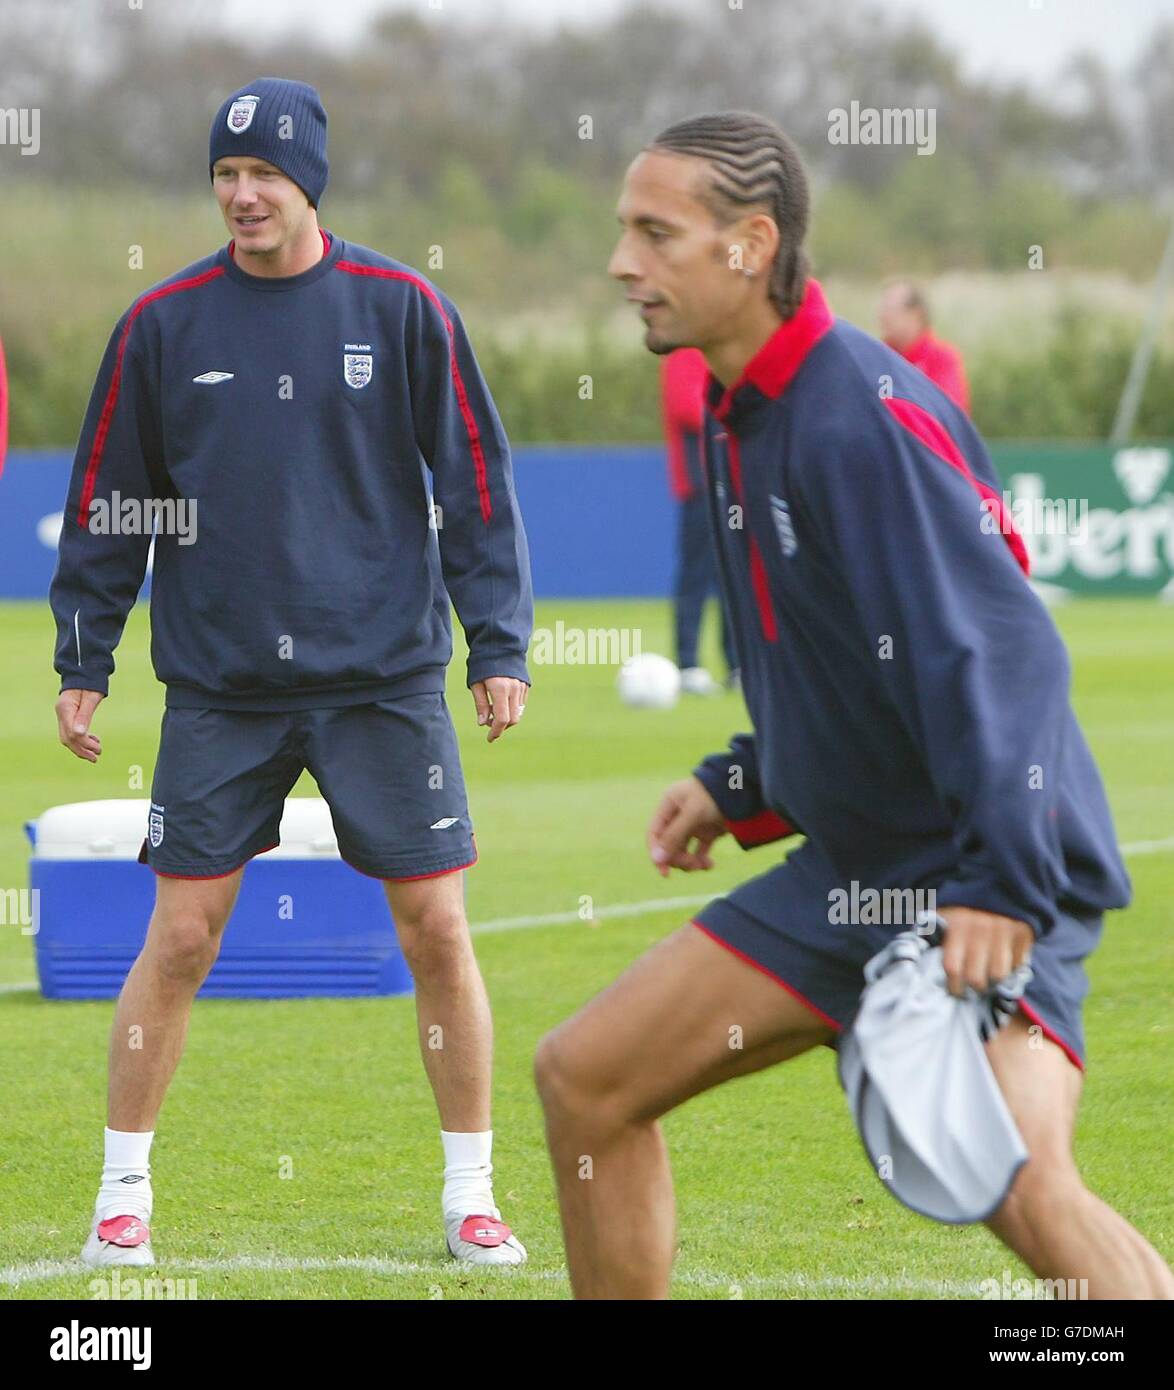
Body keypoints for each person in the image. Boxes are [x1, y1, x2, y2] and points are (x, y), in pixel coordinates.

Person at [535, 110, 1173, 1300]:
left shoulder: (857, 419)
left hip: (985, 866)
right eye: (624, 230)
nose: (623, 262)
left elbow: (1005, 652)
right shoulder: (739, 414)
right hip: (856, 870)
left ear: (750, 245)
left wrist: (997, 884)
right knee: (586, 1079)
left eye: (654, 233)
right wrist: (742, 781)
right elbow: (832, 659)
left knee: (1023, 1182)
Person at [51, 78, 533, 1269]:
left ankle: (470, 1194)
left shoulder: (404, 306)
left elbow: (475, 481)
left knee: (434, 928)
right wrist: (84, 655)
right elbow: (113, 500)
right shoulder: (162, 324)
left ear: (309, 181)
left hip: (382, 676)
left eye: (264, 174)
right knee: (178, 939)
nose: (242, 193)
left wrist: (499, 643)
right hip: (219, 685)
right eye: (225, 174)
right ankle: (123, 1198)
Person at [661, 347, 738, 694]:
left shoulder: (712, 348)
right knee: (696, 574)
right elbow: (687, 409)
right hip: (700, 484)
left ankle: (736, 663)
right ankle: (688, 662)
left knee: (732, 574)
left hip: (729, 480)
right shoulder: (687, 351)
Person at [879, 277, 970, 412]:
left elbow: (948, 413)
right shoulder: (879, 356)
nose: (883, 316)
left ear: (916, 314)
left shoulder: (942, 358)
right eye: (882, 308)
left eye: (891, 309)